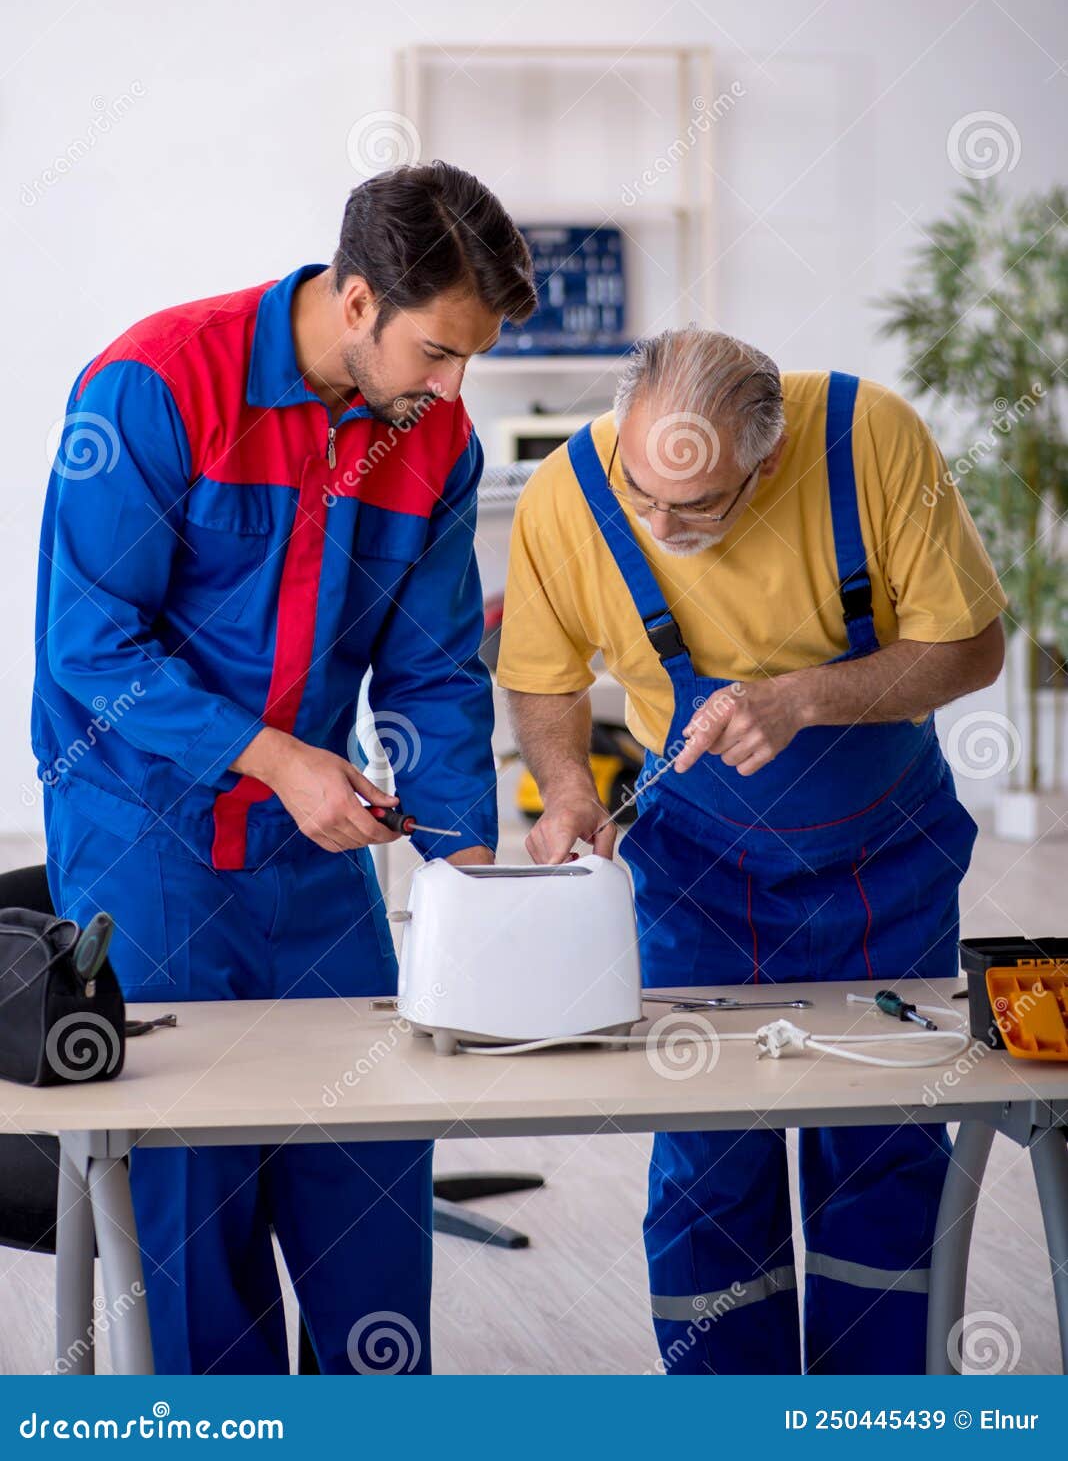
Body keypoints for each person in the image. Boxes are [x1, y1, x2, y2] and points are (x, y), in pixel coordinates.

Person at [32, 160, 536, 1373]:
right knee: (193, 1215)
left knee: (367, 1172)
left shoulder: (435, 434)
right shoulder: (154, 385)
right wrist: (274, 759)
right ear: (358, 302)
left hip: (311, 847)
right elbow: (90, 648)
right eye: (437, 352)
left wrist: (472, 878)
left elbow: (431, 671)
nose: (454, 388)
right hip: (144, 843)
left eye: (472, 359)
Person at [497, 329, 1006, 1374]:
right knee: (707, 1154)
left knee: (884, 1146)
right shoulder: (568, 492)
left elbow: (975, 645)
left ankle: (880, 1426)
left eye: (694, 507)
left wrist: (806, 697)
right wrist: (564, 793)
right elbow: (543, 676)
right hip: (696, 874)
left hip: (886, 870)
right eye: (640, 491)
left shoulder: (871, 441)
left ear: (767, 462)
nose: (656, 523)